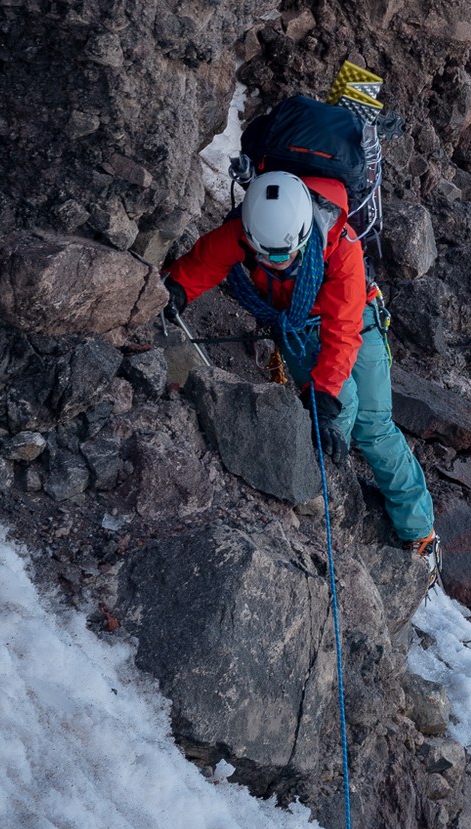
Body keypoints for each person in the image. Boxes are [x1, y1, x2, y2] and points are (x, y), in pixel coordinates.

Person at [163, 168, 439, 572]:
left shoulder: (340, 245)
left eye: (283, 255)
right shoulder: (246, 228)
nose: (275, 265)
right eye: (265, 256)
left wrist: (323, 396)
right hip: (298, 328)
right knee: (338, 422)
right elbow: (208, 258)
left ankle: (421, 534)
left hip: (355, 320)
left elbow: (342, 332)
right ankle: (325, 501)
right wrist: (178, 288)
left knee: (373, 425)